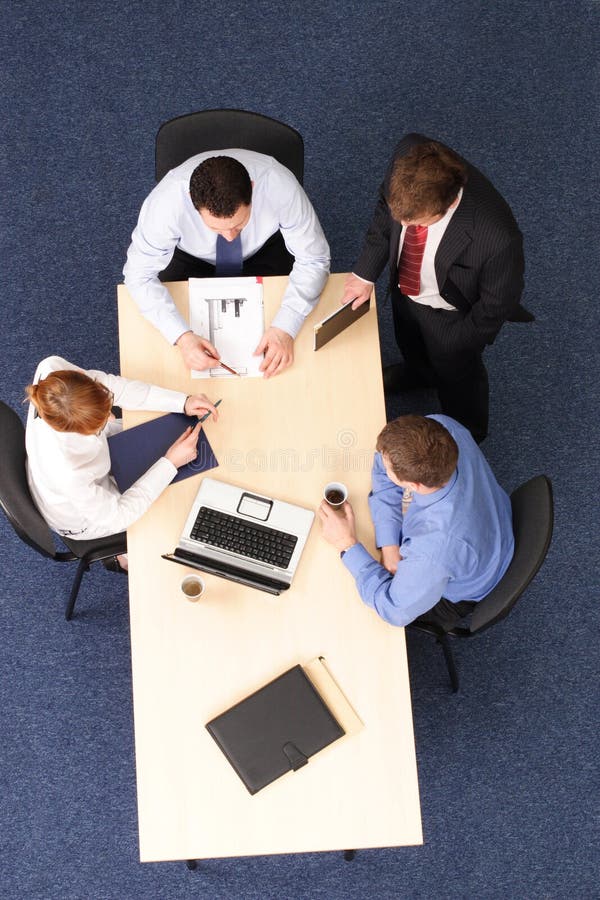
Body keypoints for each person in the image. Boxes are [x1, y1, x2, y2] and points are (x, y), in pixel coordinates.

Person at [340, 134, 529, 443]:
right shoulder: (406, 153)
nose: (405, 226)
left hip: (452, 317)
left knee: (457, 377)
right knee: (412, 342)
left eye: (417, 225)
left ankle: (467, 435)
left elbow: (496, 307)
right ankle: (419, 374)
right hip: (406, 286)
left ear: (450, 203)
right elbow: (383, 216)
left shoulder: (496, 237)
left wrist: (455, 343)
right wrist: (365, 273)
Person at [123, 150, 330, 379]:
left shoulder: (279, 186)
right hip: (191, 257)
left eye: (239, 224)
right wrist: (181, 336)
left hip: (263, 249)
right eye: (216, 228)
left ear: (251, 188)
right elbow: (137, 276)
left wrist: (285, 327)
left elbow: (314, 258)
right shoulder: (165, 205)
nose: (229, 237)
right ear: (192, 201)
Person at [318, 414, 514, 631]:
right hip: (492, 524)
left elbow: (393, 609)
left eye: (389, 467)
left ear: (415, 486)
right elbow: (384, 468)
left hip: (465, 583)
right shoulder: (443, 427)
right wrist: (389, 544)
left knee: (351, 608)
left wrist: (347, 544)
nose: (383, 465)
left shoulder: (435, 548)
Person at [25, 356, 219, 568]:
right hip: (84, 517)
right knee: (177, 510)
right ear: (80, 431)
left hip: (85, 472)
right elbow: (119, 516)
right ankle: (122, 557)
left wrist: (182, 402)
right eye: (100, 424)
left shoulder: (52, 370)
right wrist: (170, 463)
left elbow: (116, 387)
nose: (111, 414)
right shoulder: (68, 470)